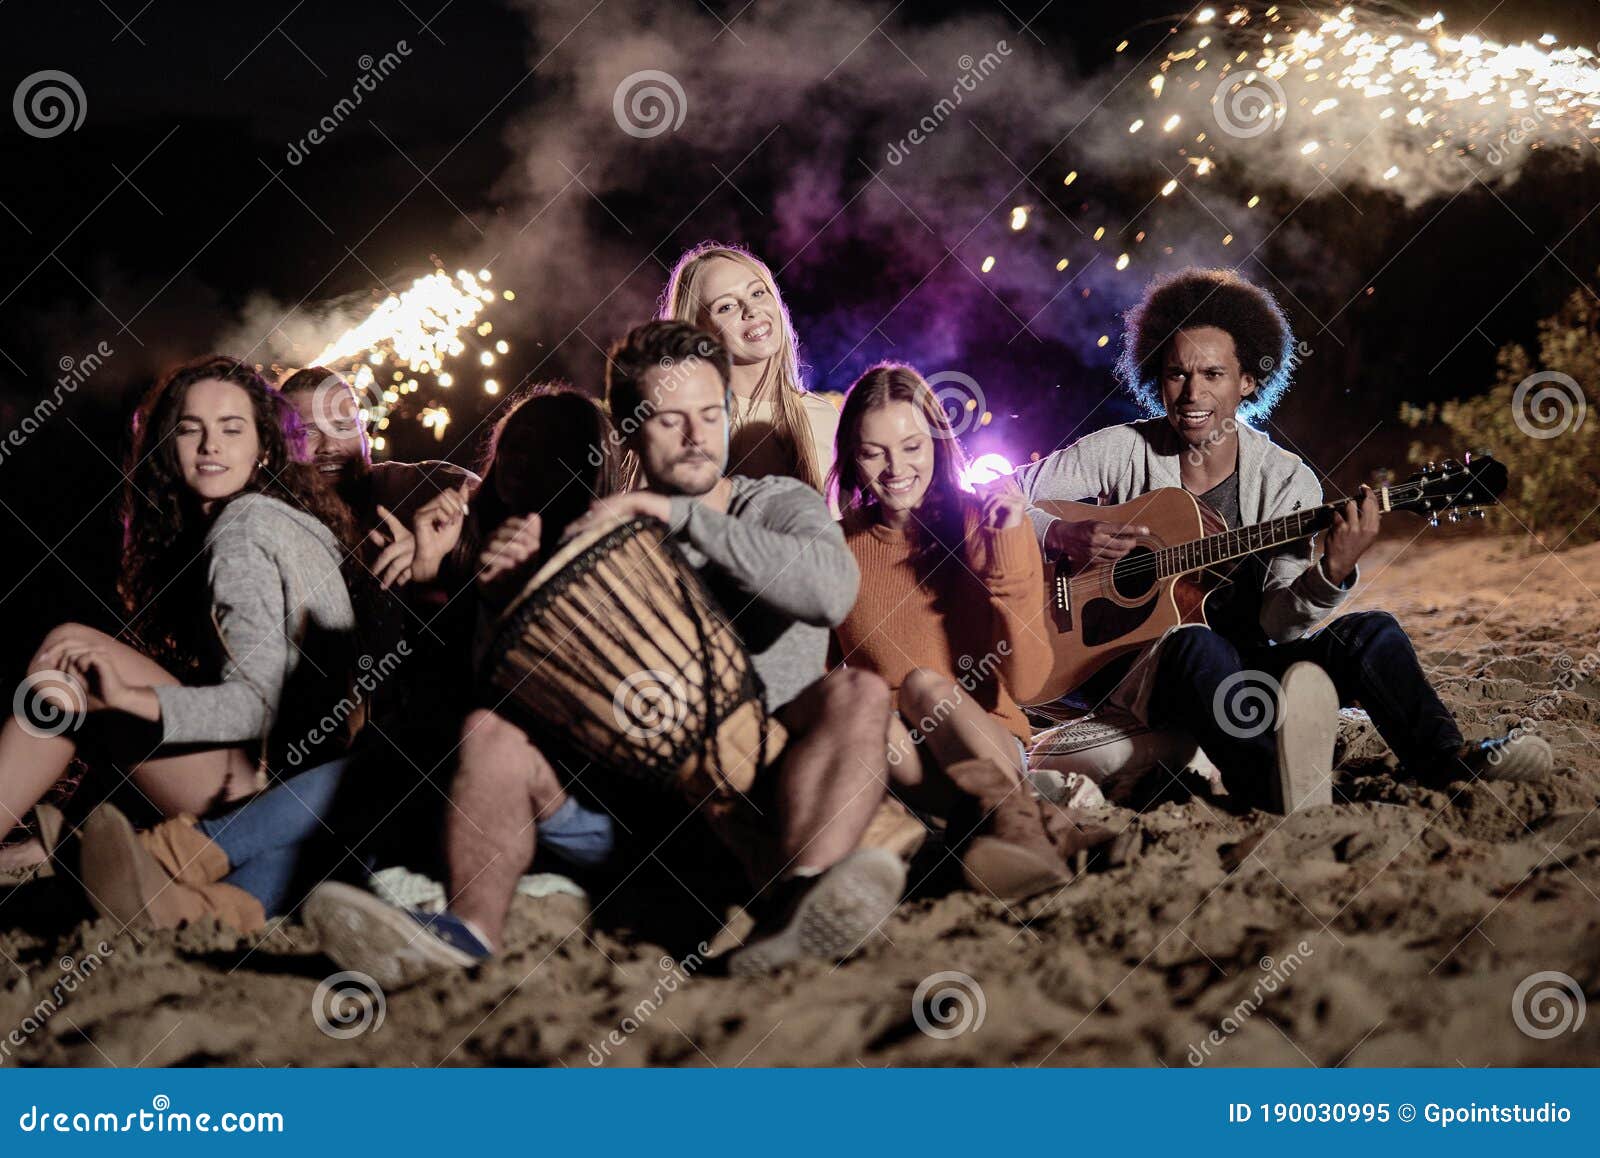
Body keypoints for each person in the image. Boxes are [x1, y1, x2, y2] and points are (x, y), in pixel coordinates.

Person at [304, 321, 904, 984]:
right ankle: (467, 933)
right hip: (639, 809)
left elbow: (829, 592)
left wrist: (678, 519)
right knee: (489, 732)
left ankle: (799, 904)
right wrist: (500, 600)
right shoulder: (593, 536)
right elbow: (506, 685)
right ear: (629, 428)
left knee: (861, 694)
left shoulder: (775, 503)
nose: (697, 436)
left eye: (711, 414)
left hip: (766, 784)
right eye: (671, 419)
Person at [67, 387, 610, 932]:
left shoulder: (595, 550)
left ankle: (181, 853)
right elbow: (432, 678)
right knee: (370, 795)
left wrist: (497, 591)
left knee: (386, 772)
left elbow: (515, 696)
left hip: (513, 781)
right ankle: (203, 908)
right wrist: (427, 577)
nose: (521, 462)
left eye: (546, 449)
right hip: (387, 767)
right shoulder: (462, 533)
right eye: (513, 446)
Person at [1014, 267, 1552, 812]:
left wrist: (1331, 573)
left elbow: (1279, 624)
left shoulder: (1287, 481)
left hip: (1243, 678)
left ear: (1247, 381)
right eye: (1177, 374)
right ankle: (1270, 782)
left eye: (1213, 374)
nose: (1192, 392)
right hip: (1141, 672)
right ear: (1158, 375)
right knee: (1193, 643)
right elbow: (999, 496)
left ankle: (1448, 760)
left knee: (1374, 632)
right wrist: (1060, 532)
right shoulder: (1122, 451)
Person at [0, 356, 364, 932]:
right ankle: (53, 850)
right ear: (169, 445)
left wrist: (129, 697)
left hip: (270, 785)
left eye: (232, 428)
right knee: (91, 681)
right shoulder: (270, 520)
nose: (209, 446)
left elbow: (256, 704)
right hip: (296, 782)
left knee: (69, 658)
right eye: (191, 428)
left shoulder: (244, 530)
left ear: (264, 448)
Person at [830, 364, 1117, 901]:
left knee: (923, 688)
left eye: (912, 446)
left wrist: (1006, 555)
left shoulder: (984, 522)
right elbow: (830, 682)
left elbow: (1029, 683)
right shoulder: (835, 547)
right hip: (902, 757)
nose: (896, 469)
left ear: (937, 443)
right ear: (850, 454)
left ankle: (1016, 819)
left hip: (987, 739)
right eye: (874, 452)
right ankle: (1038, 829)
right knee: (878, 722)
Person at [659, 242, 839, 495]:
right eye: (726, 307)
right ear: (699, 333)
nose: (751, 310)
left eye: (757, 293)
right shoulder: (688, 430)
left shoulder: (824, 417)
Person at [278, 366, 478, 590]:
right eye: (307, 432)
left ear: (364, 432)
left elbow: (500, 506)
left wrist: (447, 553)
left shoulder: (414, 485)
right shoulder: (267, 523)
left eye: (342, 426)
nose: (330, 446)